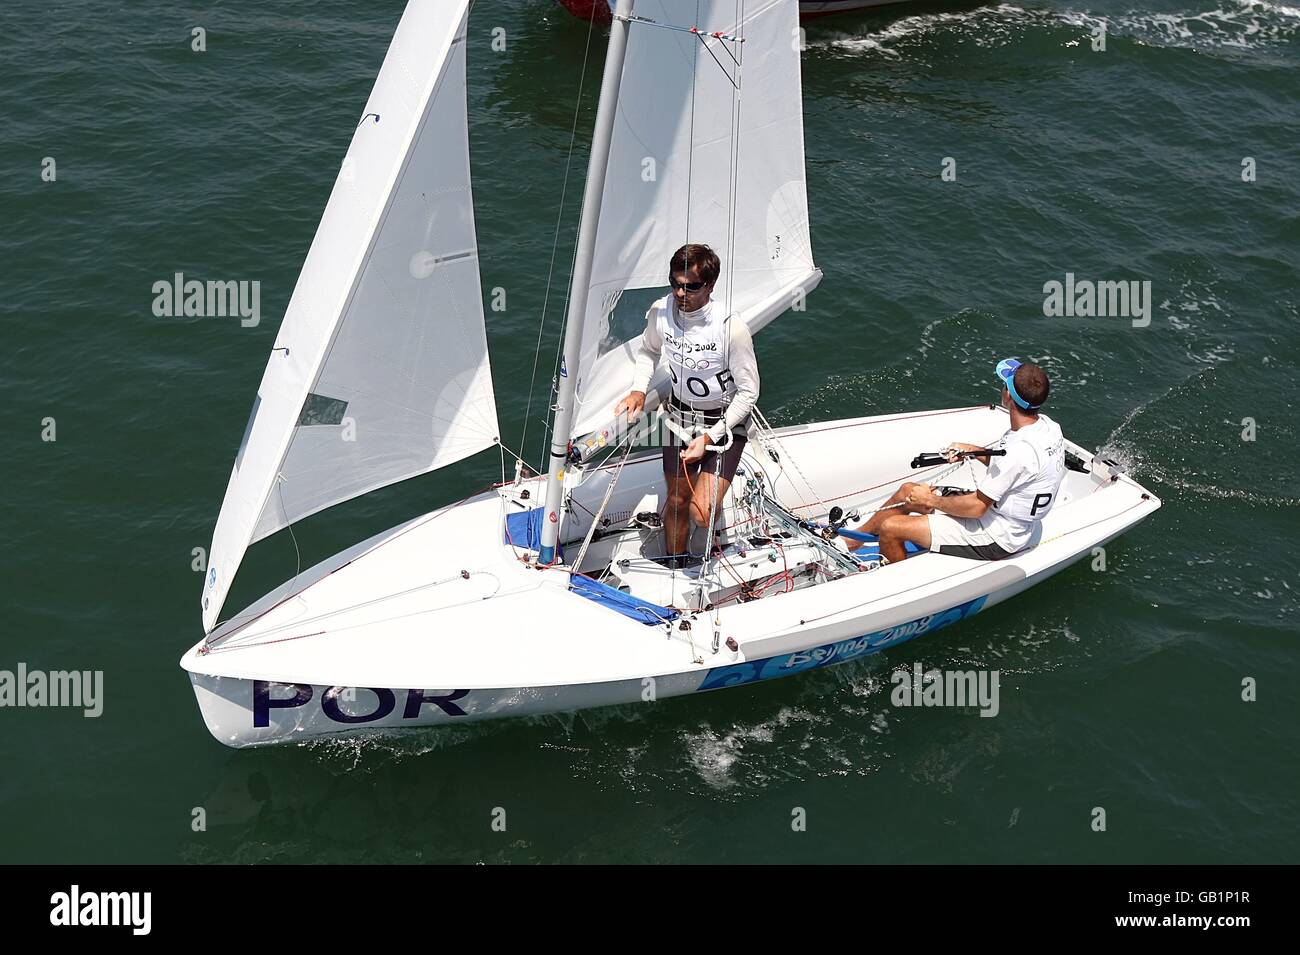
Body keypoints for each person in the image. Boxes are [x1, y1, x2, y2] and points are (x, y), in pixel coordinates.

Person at [614, 244, 759, 561]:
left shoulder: (730, 328)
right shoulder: (660, 312)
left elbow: (749, 393)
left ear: (710, 285)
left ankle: (712, 539)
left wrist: (708, 439)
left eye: (691, 286)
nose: (681, 293)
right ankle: (676, 561)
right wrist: (639, 389)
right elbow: (648, 351)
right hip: (678, 417)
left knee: (701, 513)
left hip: (724, 424)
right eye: (675, 283)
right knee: (677, 499)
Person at [848, 358, 1066, 564]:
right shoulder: (1048, 427)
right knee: (907, 491)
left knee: (892, 527)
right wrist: (971, 450)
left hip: (998, 535)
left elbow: (977, 507)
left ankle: (893, 588)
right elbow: (1015, 468)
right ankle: (854, 540)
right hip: (999, 514)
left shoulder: (1019, 451)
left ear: (1008, 394)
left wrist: (930, 500)